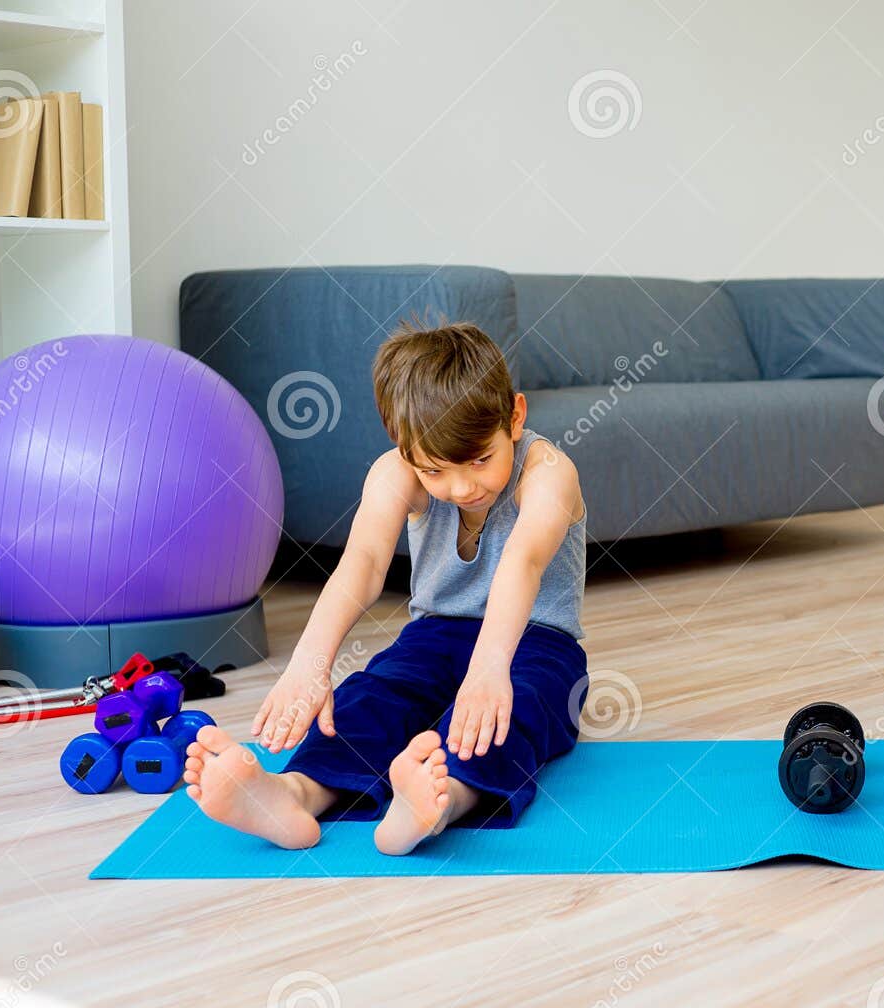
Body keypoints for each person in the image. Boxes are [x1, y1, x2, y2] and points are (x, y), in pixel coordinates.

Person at [184, 319, 588, 857]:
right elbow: (364, 563)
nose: (461, 487)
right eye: (435, 471)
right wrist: (309, 665)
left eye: (480, 460)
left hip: (536, 641)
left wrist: (490, 669)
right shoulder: (395, 472)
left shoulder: (549, 470)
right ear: (404, 449)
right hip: (434, 636)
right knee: (374, 695)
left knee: (514, 708)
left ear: (514, 417)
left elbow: (523, 562)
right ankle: (294, 795)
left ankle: (438, 803)